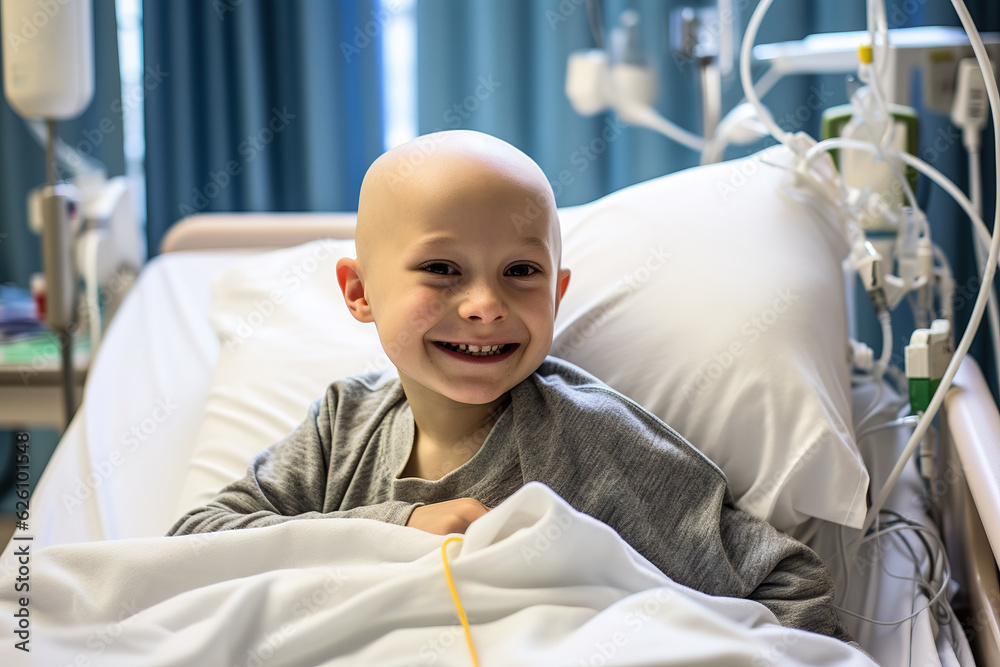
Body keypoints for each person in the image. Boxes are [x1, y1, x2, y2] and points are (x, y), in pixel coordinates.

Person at [168, 129, 855, 644]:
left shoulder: (592, 441)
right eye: (442, 268)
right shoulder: (340, 429)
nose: (484, 304)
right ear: (359, 292)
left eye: (520, 272)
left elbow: (785, 583)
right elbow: (198, 544)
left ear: (557, 294)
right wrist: (399, 527)